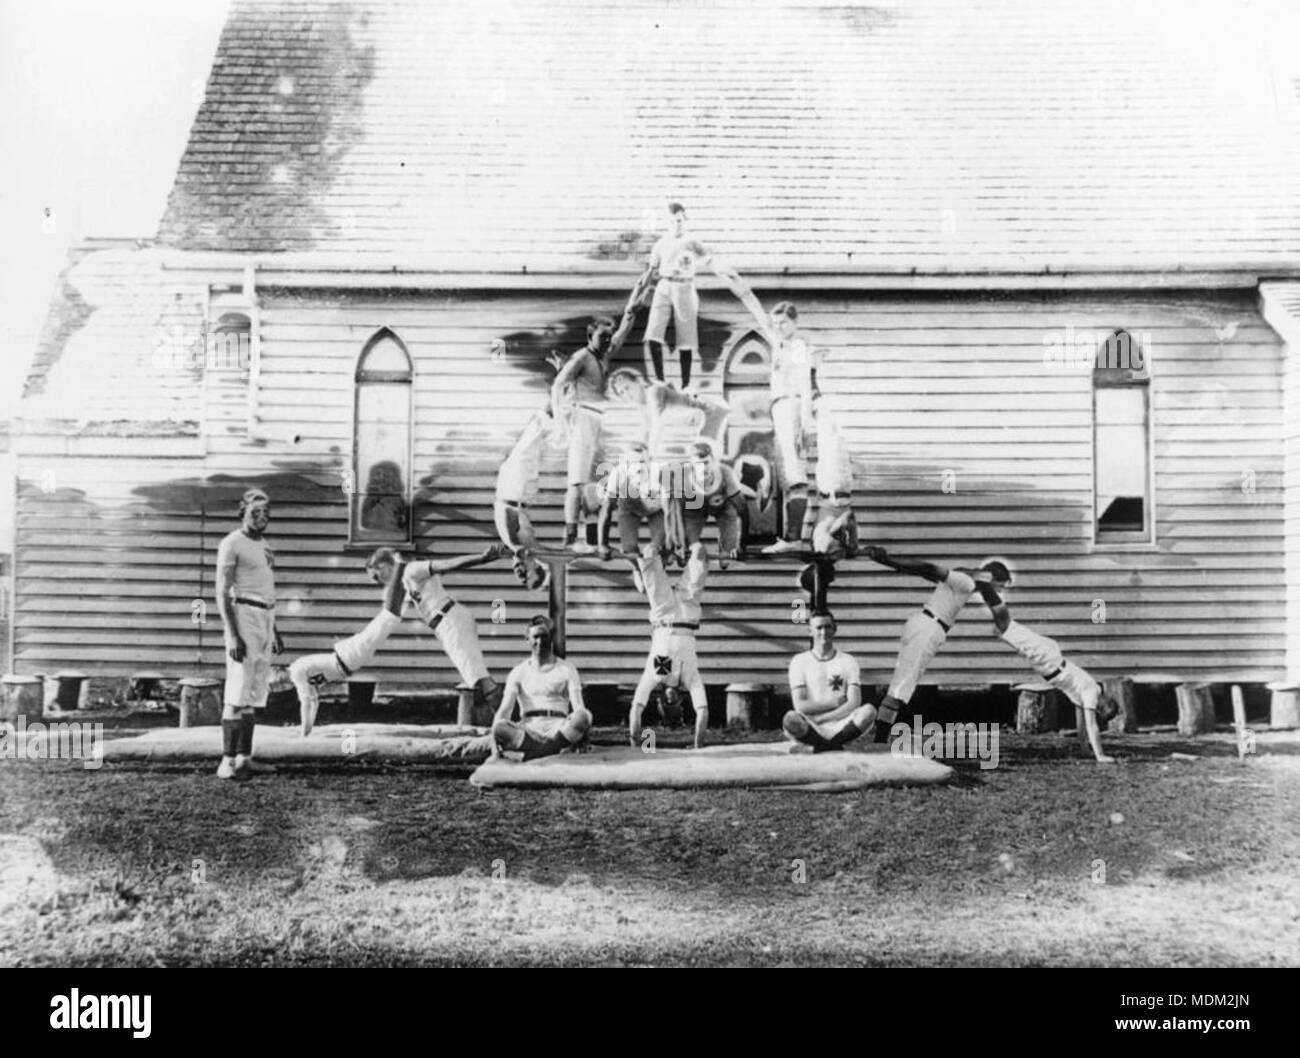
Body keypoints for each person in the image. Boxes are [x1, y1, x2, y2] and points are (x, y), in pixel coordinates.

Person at [865, 547, 1011, 742]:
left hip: (926, 626)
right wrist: (889, 561)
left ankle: (881, 738)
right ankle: (880, 741)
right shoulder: (966, 581)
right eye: (999, 586)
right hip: (928, 628)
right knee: (901, 686)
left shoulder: (966, 580)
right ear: (990, 577)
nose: (998, 591)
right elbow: (928, 568)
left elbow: (927, 571)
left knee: (903, 682)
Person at [976, 582, 1119, 763]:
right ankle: (985, 588)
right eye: (1104, 707)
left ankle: (986, 591)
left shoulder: (1086, 697)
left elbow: (1083, 724)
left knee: (1008, 627)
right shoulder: (1092, 693)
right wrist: (1100, 755)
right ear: (1104, 704)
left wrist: (1084, 748)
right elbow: (1091, 726)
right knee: (1005, 625)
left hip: (1050, 661)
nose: (1098, 708)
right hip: (1050, 660)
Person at [635, 201, 768, 389]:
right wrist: (639, 293)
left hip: (685, 286)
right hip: (665, 285)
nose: (676, 224)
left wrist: (729, 275)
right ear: (667, 222)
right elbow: (650, 272)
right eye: (672, 221)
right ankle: (659, 380)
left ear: (684, 220)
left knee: (686, 337)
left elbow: (711, 262)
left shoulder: (692, 242)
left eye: (679, 220)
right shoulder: (660, 244)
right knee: (653, 333)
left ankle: (686, 384)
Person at [288, 552, 407, 736]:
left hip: (348, 656)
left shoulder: (296, 672)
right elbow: (313, 701)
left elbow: (306, 703)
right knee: (389, 617)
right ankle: (405, 577)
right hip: (349, 658)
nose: (279, 684)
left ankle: (401, 565)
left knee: (388, 617)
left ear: (280, 672)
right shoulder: (301, 678)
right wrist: (308, 731)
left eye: (276, 680)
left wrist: (303, 734)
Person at [215, 488, 283, 780]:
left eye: (266, 513)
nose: (261, 518)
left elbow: (265, 589)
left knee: (256, 691)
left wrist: (275, 629)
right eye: (255, 512)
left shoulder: (265, 545)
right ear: (242, 511)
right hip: (243, 616)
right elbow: (221, 591)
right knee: (238, 689)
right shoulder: (232, 543)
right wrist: (232, 635)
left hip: (265, 617)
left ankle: (245, 757)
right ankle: (226, 761)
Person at [397, 544, 508, 711]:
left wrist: (481, 558)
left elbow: (449, 564)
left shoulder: (412, 568)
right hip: (448, 622)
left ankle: (509, 721)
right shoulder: (406, 579)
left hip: (450, 621)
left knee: (481, 680)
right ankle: (499, 720)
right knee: (475, 677)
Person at [753, 302, 820, 554]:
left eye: (784, 322)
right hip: (780, 408)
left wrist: (805, 422)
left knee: (794, 473)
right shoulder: (780, 345)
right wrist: (735, 282)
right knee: (785, 473)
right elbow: (759, 316)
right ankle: (790, 537)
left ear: (794, 322)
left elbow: (804, 384)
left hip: (793, 406)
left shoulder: (799, 347)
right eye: (776, 323)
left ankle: (793, 538)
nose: (779, 327)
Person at [629, 542, 710, 749]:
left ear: (662, 699)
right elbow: (702, 711)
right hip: (687, 616)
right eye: (674, 702)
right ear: (681, 701)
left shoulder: (657, 674)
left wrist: (634, 744)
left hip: (663, 616)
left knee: (649, 553)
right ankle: (684, 540)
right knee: (699, 552)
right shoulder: (690, 679)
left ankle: (661, 548)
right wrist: (698, 745)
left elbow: (636, 709)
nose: (671, 699)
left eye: (668, 702)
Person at [491, 615, 592, 760]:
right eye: (535, 637)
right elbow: (505, 710)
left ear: (551, 638)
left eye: (544, 636)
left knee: (584, 716)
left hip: (559, 728)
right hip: (529, 730)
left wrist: (584, 733)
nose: (540, 641)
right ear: (527, 639)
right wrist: (494, 741)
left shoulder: (567, 668)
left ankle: (536, 753)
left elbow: (578, 706)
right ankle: (553, 750)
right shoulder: (518, 672)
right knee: (500, 727)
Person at [783, 610, 876, 752]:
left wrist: (823, 718)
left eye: (827, 627)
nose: (823, 632)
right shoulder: (799, 661)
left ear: (835, 629)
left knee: (869, 711)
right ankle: (834, 745)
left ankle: (820, 746)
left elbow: (854, 703)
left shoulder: (848, 660)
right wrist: (833, 703)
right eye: (819, 628)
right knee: (790, 719)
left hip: (841, 722)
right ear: (810, 631)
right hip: (811, 723)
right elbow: (800, 706)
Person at [494, 409, 560, 590]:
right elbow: (549, 554)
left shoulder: (514, 545)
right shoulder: (530, 549)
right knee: (534, 444)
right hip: (521, 494)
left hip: (510, 493)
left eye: (520, 578)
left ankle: (551, 406)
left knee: (530, 441)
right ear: (536, 566)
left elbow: (507, 513)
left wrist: (515, 545)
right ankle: (554, 406)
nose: (519, 574)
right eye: (525, 575)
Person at [680, 439, 744, 567]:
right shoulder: (682, 477)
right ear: (691, 465)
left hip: (723, 508)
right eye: (698, 464)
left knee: (727, 558)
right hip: (695, 509)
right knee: (686, 554)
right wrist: (678, 544)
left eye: (706, 463)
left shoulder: (726, 473)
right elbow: (674, 513)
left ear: (714, 462)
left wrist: (743, 543)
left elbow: (743, 509)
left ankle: (725, 543)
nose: (703, 469)